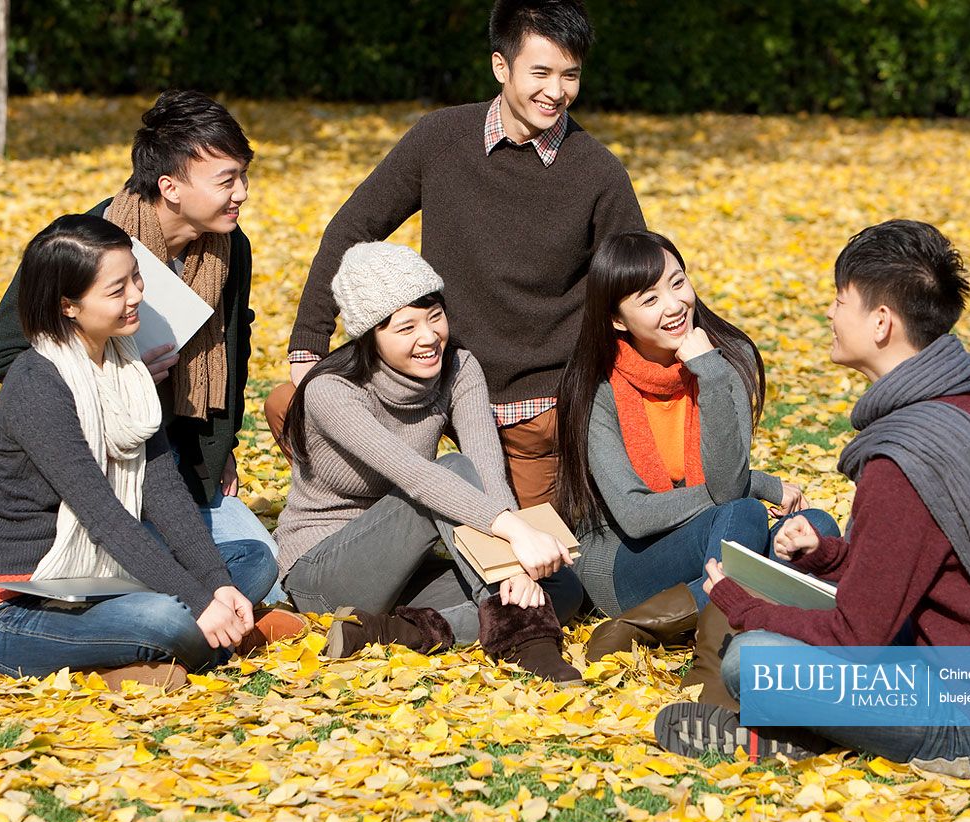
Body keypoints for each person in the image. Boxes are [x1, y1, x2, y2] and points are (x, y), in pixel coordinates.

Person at [654, 220, 970, 777]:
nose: (830, 314)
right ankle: (814, 734)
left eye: (840, 301)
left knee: (752, 659)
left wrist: (744, 606)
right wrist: (829, 557)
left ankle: (798, 741)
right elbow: (936, 561)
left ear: (881, 322)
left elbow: (858, 636)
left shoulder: (905, 456)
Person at [268, 0, 645, 512]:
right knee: (289, 404)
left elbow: (634, 284)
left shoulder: (598, 173)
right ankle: (382, 526)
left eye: (570, 75)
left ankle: (446, 513)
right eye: (541, 72)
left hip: (533, 401)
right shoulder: (440, 139)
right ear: (500, 66)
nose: (556, 92)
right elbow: (354, 227)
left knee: (542, 563)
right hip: (431, 374)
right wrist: (308, 343)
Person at [0, 216, 303, 691]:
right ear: (68, 305)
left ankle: (157, 654)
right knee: (165, 615)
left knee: (252, 560)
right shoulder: (38, 382)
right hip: (11, 606)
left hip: (96, 579)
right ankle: (224, 635)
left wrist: (216, 587)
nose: (137, 295)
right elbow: (106, 517)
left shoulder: (127, 370)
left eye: (136, 277)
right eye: (116, 289)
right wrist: (200, 603)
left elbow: (164, 492)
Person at [0, 90, 283, 597]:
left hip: (178, 463)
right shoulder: (89, 243)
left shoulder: (231, 248)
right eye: (226, 180)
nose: (242, 193)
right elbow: (1, 352)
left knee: (263, 568)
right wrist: (111, 367)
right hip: (102, 468)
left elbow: (236, 342)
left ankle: (193, 607)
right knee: (176, 576)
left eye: (243, 176)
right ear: (171, 187)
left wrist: (221, 447)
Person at [276, 242, 586, 682]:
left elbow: (487, 468)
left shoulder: (460, 368)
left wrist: (515, 566)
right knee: (450, 470)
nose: (428, 337)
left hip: (407, 565)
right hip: (324, 571)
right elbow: (418, 477)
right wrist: (515, 535)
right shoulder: (333, 391)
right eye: (406, 327)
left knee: (561, 587)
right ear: (370, 336)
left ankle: (395, 631)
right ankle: (526, 641)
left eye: (435, 315)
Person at [555, 230, 838, 669]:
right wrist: (757, 485)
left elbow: (725, 484)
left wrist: (708, 371)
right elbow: (636, 514)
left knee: (817, 528)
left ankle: (650, 626)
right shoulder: (596, 386)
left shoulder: (725, 360)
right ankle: (715, 661)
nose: (673, 306)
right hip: (626, 562)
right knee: (742, 512)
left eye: (677, 282)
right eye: (648, 300)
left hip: (715, 539)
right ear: (616, 319)